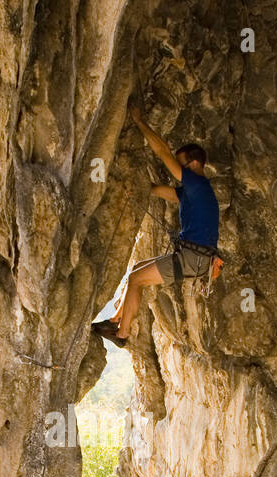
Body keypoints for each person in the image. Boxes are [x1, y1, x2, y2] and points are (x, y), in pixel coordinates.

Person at [92, 105, 220, 347]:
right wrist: (138, 187)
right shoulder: (193, 192)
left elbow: (163, 153)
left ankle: (121, 334)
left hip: (194, 258)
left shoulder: (197, 184)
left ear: (193, 164)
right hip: (195, 257)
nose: (177, 171)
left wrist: (140, 123)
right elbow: (161, 192)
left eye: (182, 165)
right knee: (137, 269)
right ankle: (115, 319)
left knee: (137, 278)